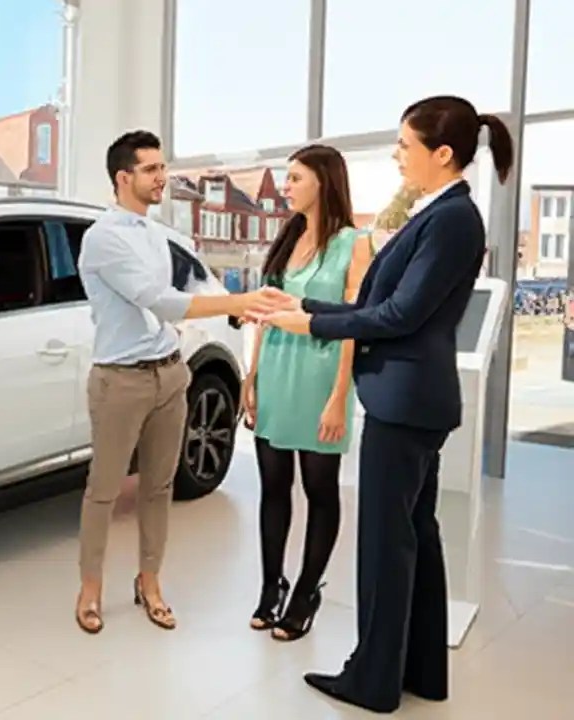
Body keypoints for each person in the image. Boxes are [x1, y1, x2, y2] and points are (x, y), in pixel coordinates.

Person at [252, 95, 514, 713]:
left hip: (404, 402)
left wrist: (309, 328)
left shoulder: (451, 219)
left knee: (386, 545)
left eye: (404, 145)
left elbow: (400, 315)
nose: (397, 157)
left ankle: (371, 680)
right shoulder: (444, 214)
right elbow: (386, 306)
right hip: (413, 399)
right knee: (415, 537)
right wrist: (308, 308)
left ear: (442, 154)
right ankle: (421, 670)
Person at [74, 130, 282, 634]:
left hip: (170, 373)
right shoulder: (103, 236)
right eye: (151, 169)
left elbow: (172, 299)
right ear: (124, 177)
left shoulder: (155, 232)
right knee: (103, 491)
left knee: (159, 487)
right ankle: (90, 589)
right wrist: (237, 302)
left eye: (163, 167)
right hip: (119, 380)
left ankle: (150, 583)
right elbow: (158, 300)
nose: (162, 177)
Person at [243, 144, 373, 642]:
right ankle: (270, 586)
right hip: (275, 368)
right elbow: (265, 311)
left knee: (320, 490)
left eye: (295, 177)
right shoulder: (288, 235)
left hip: (321, 377)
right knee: (273, 486)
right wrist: (251, 375)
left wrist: (341, 395)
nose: (288, 187)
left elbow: (354, 323)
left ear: (323, 179)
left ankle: (306, 592)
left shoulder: (353, 243)